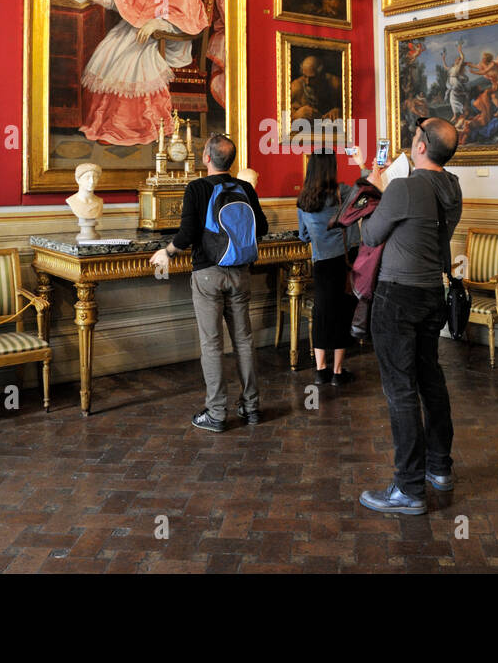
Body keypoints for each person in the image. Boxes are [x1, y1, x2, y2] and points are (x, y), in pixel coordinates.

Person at [357, 117, 463, 515]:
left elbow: (369, 235)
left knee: (400, 389)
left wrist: (376, 189)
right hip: (432, 294)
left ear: (420, 147)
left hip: (397, 296)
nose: (412, 140)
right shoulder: (452, 186)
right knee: (430, 379)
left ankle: (408, 488)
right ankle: (440, 468)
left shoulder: (404, 187)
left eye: (416, 136)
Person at [149, 133, 268, 432]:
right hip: (240, 272)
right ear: (232, 160)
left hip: (207, 275)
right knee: (244, 341)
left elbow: (187, 233)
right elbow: (262, 227)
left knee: (212, 344)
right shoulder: (244, 187)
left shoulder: (197, 188)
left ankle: (216, 413)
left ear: (205, 158)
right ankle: (251, 407)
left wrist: (168, 252)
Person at [74, 0, 211, 146]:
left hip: (168, 41)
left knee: (129, 61)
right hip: (141, 32)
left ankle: (127, 128)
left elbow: (188, 19)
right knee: (111, 51)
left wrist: (156, 23)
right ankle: (105, 125)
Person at [297, 151, 368, 386]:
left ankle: (320, 370)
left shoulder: (303, 200)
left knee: (322, 314)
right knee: (342, 314)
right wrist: (361, 164)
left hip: (321, 263)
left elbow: (304, 235)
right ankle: (338, 372)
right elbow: (370, 194)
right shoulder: (342, 192)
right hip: (345, 262)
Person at [289, 55, 343, 123]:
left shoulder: (336, 84)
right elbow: (280, 113)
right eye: (305, 76)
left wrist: (340, 111)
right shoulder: (295, 87)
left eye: (312, 78)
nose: (307, 82)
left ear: (322, 75)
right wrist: (295, 116)